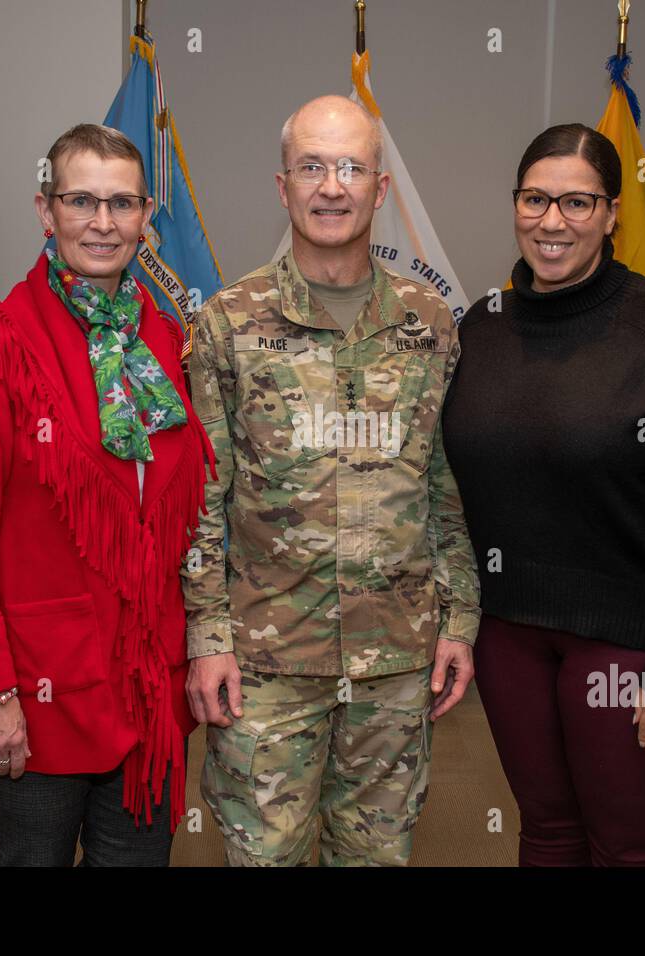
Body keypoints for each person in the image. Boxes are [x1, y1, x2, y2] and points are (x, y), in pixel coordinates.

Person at [182, 95, 480, 866]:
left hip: (395, 660)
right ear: (282, 186)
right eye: (311, 166)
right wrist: (207, 637)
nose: (331, 185)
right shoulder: (227, 323)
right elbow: (203, 498)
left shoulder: (430, 323)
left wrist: (460, 619)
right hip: (267, 664)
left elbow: (441, 482)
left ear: (380, 188)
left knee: (375, 859)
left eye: (351, 167)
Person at [442, 123, 645, 867]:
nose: (553, 221)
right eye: (535, 199)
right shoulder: (478, 331)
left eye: (577, 203)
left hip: (633, 639)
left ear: (612, 214)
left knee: (626, 845)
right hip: (509, 632)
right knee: (545, 833)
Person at [0, 123, 213, 866]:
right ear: (45, 210)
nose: (103, 222)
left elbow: (185, 514)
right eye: (81, 200)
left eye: (122, 203)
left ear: (148, 217)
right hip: (34, 692)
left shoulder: (167, 341)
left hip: (148, 693)